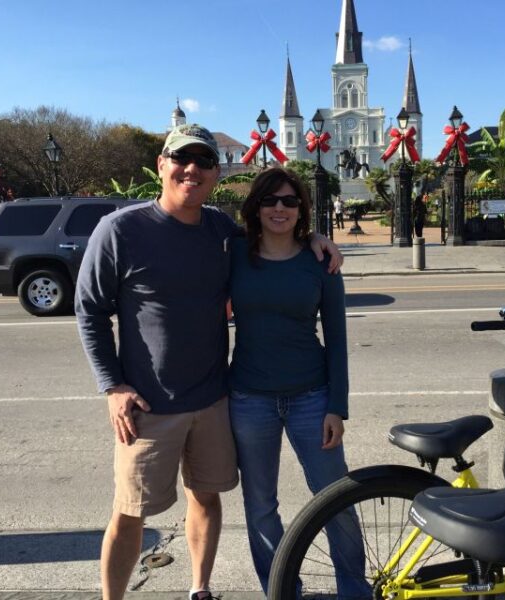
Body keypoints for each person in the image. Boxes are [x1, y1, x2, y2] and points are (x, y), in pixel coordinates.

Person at [75, 124, 342, 600]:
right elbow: (89, 310)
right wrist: (112, 386)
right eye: (182, 159)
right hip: (148, 404)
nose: (191, 170)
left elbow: (274, 229)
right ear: (162, 164)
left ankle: (200, 588)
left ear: (216, 174)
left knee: (206, 496)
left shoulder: (221, 231)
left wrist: (316, 237)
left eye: (203, 161)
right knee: (130, 511)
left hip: (215, 399)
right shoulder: (120, 230)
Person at [228, 167, 370, 597]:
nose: (279, 208)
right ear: (255, 207)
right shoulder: (234, 253)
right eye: (270, 200)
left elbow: (338, 339)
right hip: (250, 399)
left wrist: (337, 407)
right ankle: (281, 589)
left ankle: (353, 590)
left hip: (312, 397)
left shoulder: (321, 261)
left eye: (290, 201)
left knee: (335, 499)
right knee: (260, 505)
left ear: (302, 209)